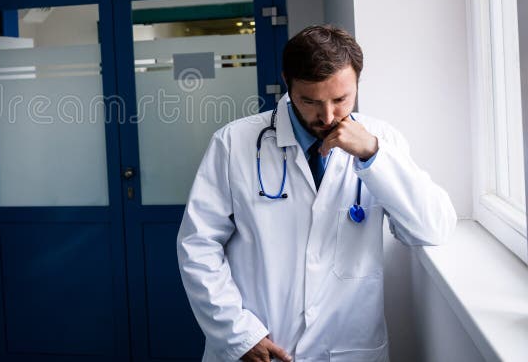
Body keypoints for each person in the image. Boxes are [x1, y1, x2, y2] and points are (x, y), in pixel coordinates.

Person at [177, 25, 456, 362]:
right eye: (310, 101)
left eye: (341, 99)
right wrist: (238, 334)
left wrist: (373, 155)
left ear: (357, 82)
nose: (327, 116)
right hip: (258, 343)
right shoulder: (234, 143)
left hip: (347, 347)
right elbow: (198, 244)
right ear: (287, 83)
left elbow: (431, 229)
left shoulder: (384, 140)